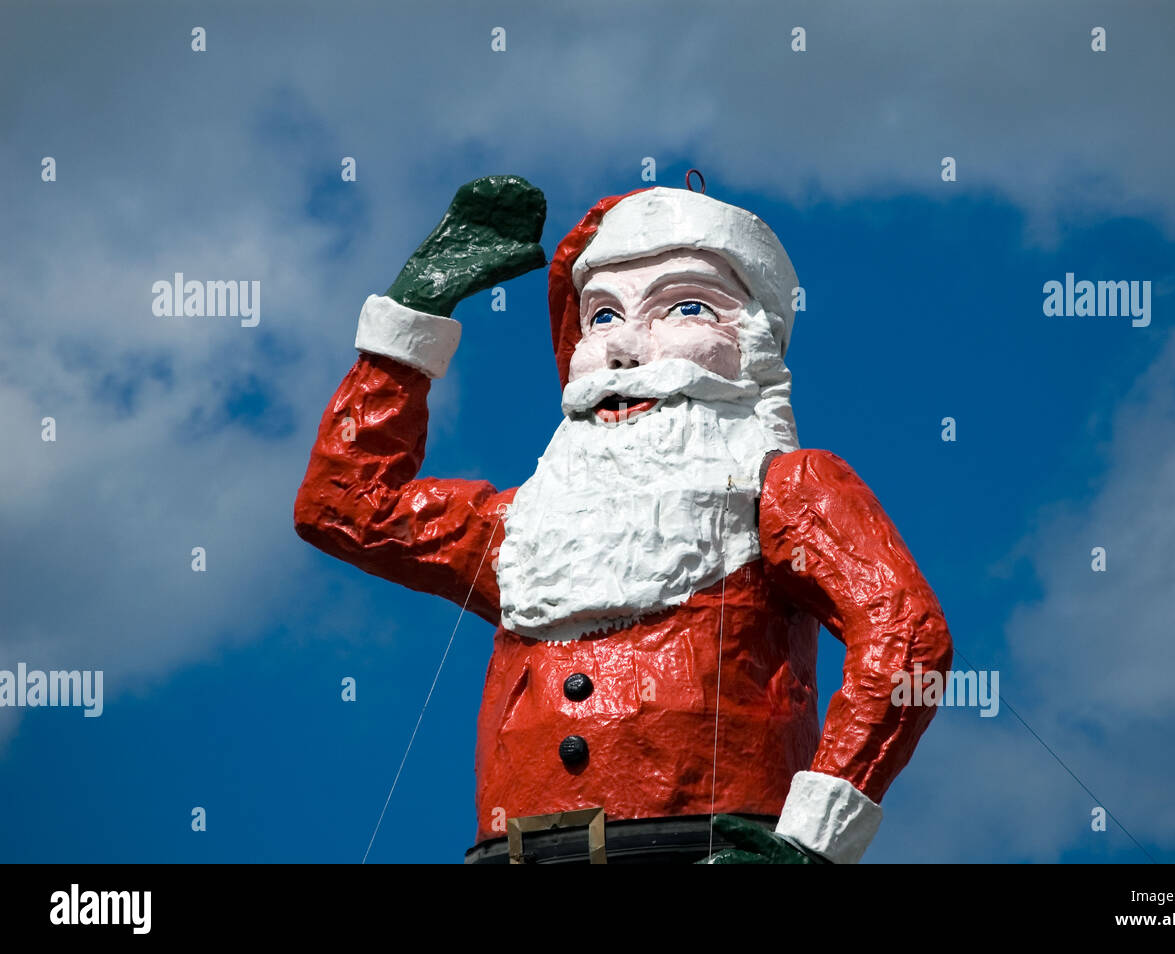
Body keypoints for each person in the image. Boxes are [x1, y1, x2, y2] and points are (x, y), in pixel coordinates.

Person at [294, 176, 953, 863]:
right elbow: (344, 506)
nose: (623, 348)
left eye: (685, 307)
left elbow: (907, 639)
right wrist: (412, 319)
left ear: (754, 346)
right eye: (601, 316)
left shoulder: (784, 490)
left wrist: (813, 842)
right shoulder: (523, 531)